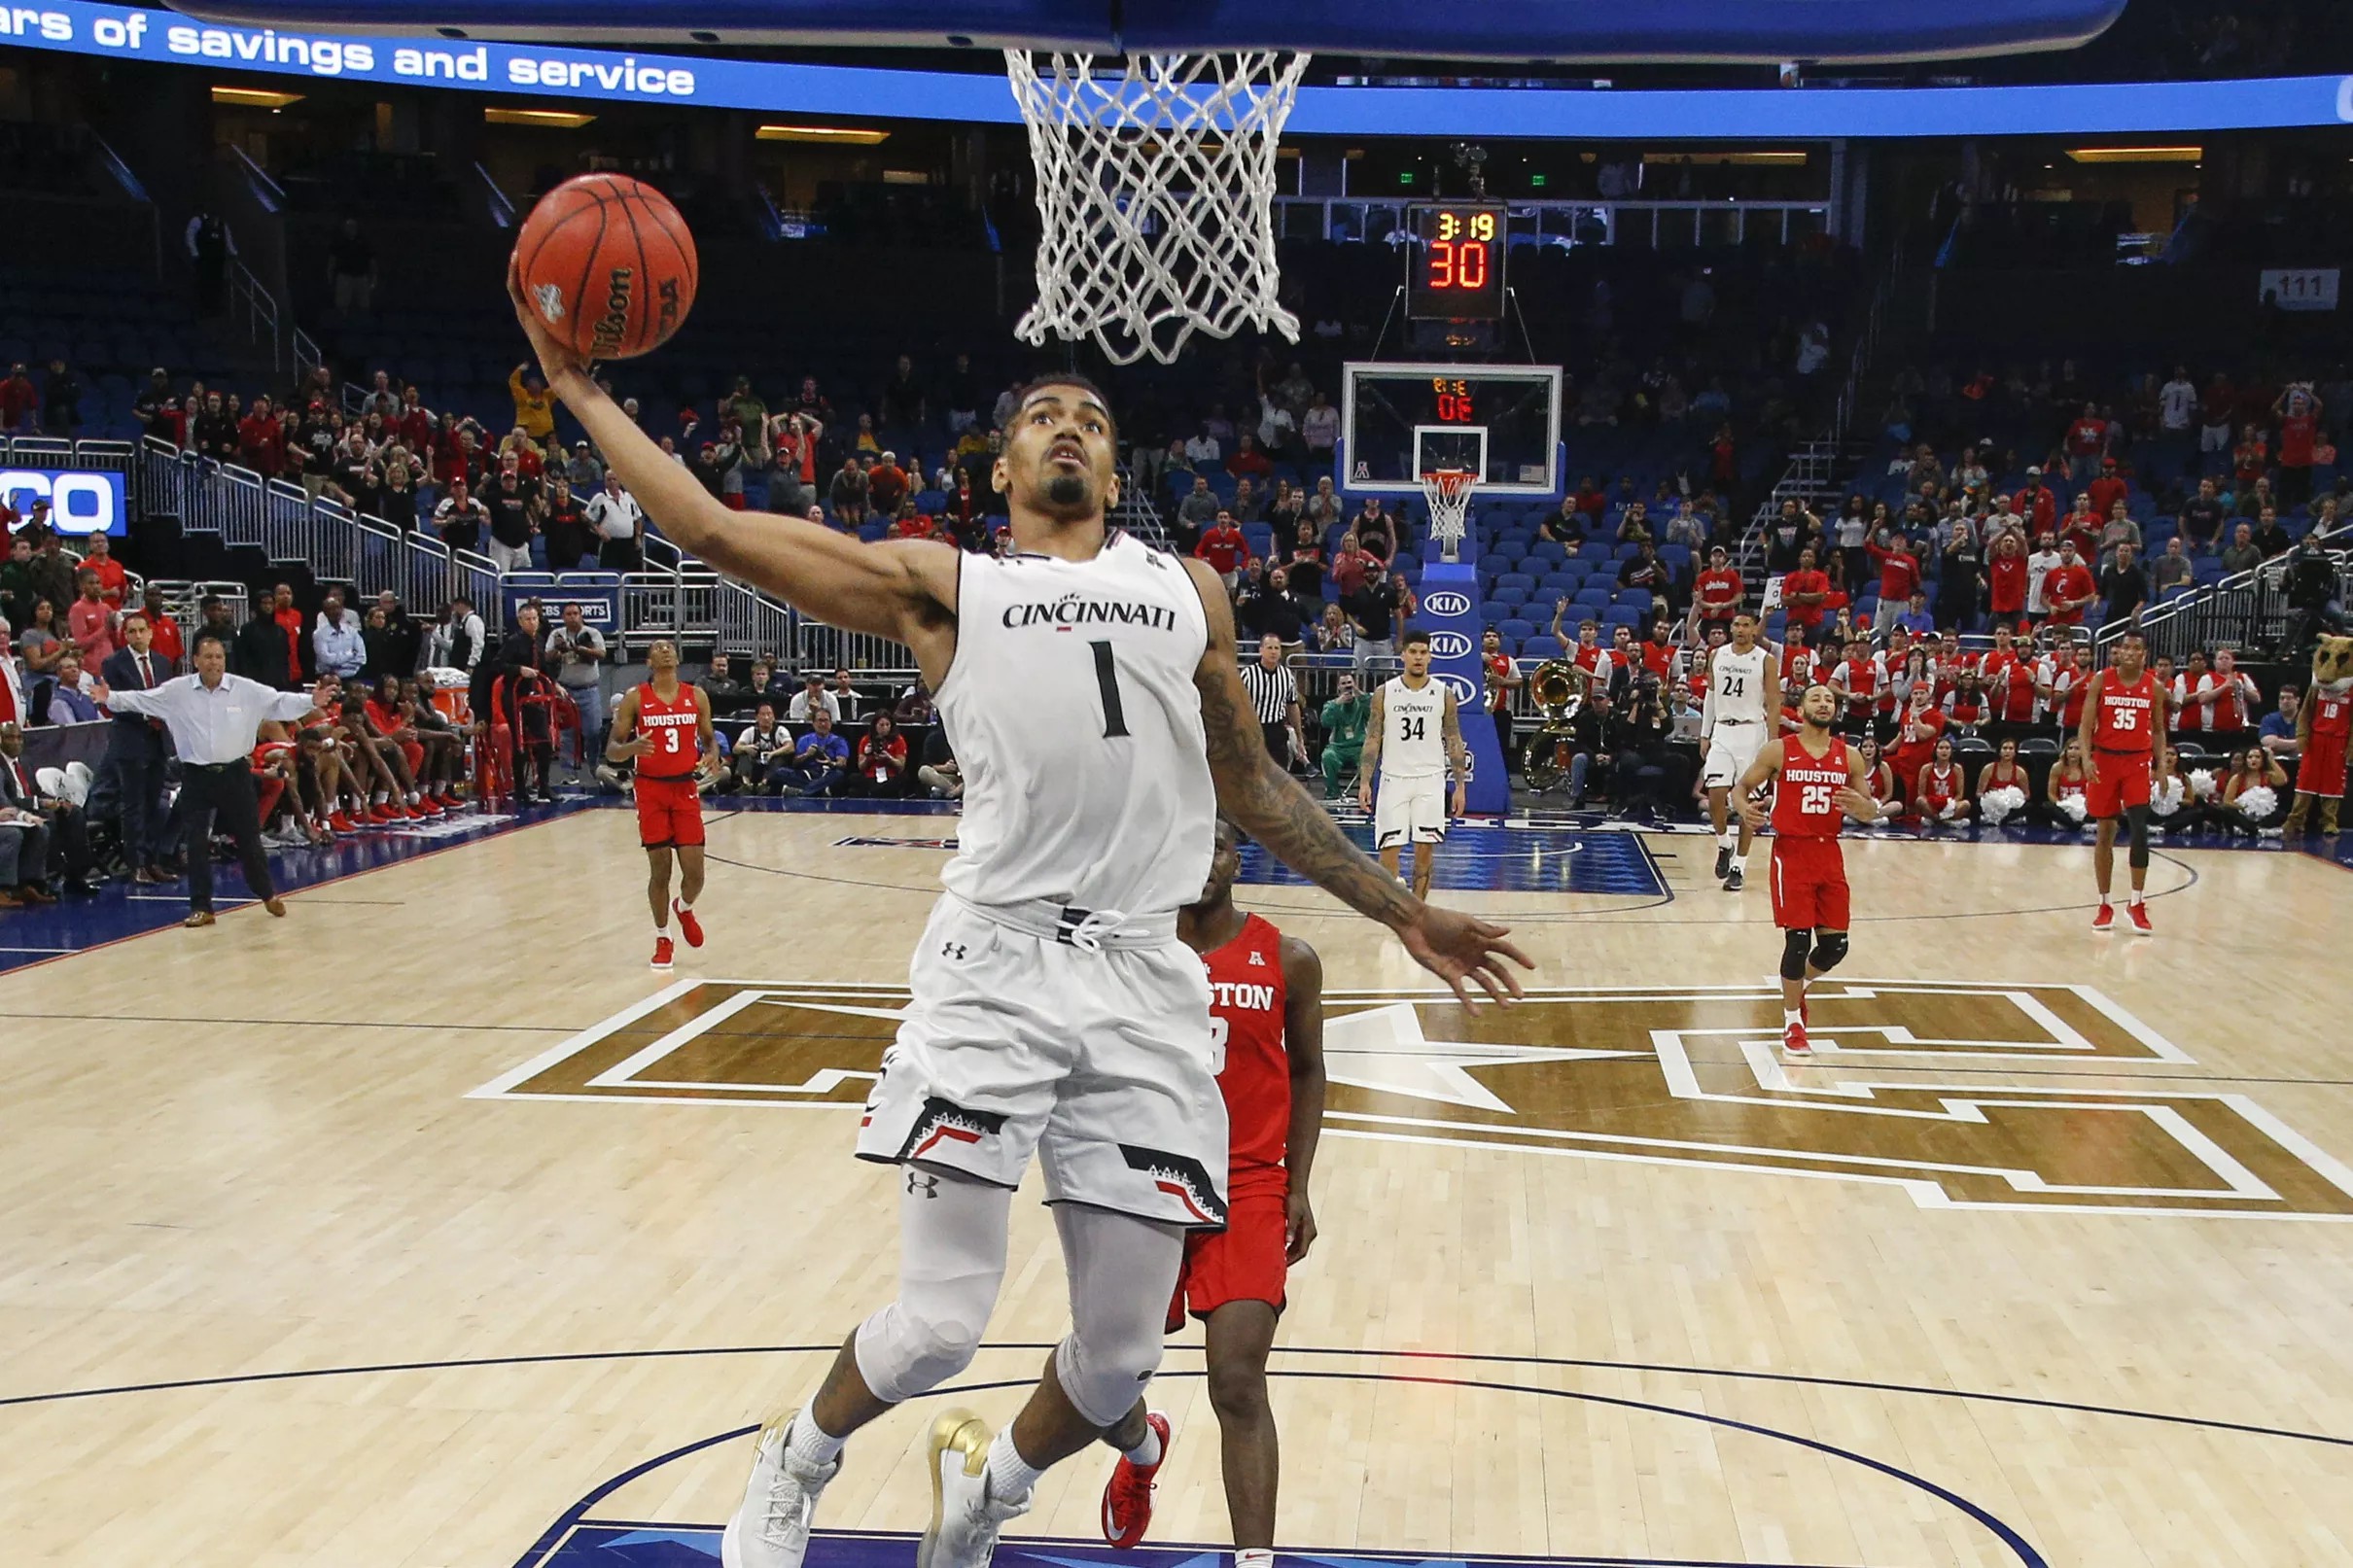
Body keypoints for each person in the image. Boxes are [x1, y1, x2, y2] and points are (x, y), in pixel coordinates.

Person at [514, 274, 1527, 1568]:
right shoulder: (948, 588)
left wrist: (1407, 914)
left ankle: (991, 1487)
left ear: (1113, 462)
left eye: (1090, 420)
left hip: (1144, 977)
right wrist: (586, 394)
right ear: (1002, 468)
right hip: (996, 963)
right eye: (1042, 416)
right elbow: (714, 528)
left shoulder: (1190, 594)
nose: (1068, 429)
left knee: (1115, 1356)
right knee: (940, 1323)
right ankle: (795, 1459)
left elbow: (1253, 781)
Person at [1096, 819, 1325, 1564]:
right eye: (1191, 843)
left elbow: (1308, 1071)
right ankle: (1139, 1449)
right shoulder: (1133, 948)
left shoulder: (1288, 958)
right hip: (1147, 1178)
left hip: (1248, 1184)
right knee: (1103, 1376)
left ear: (1239, 857)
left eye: (1220, 844)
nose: (1206, 857)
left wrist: (1300, 1180)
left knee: (1235, 1378)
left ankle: (1254, 1562)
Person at [89, 632, 321, 926]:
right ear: (196, 660)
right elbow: (141, 700)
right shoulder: (177, 691)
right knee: (195, 843)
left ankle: (267, 894)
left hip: (235, 774)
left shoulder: (245, 689)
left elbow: (279, 701)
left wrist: (310, 700)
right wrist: (109, 697)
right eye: (208, 657)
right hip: (196, 776)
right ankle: (202, 907)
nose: (214, 662)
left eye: (219, 657)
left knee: (249, 839)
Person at [1737, 682, 1881, 1059]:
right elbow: (1742, 787)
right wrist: (1743, 808)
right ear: (1800, 709)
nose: (1824, 703)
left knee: (1836, 946)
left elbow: (1869, 809)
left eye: (1830, 699)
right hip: (1792, 852)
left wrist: (1865, 810)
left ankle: (1797, 988)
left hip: (1829, 853)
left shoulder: (1849, 757)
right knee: (1798, 941)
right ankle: (1792, 1022)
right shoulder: (1779, 750)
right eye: (1816, 698)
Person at [606, 638, 716, 970]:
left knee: (695, 873)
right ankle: (663, 936)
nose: (665, 650)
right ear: (649, 661)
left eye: (670, 646)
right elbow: (612, 750)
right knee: (660, 870)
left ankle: (683, 907)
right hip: (651, 789)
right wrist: (630, 749)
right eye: (658, 647)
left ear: (678, 658)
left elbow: (709, 738)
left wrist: (712, 754)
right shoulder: (636, 698)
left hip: (685, 787)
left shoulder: (696, 695)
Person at [1357, 630, 1467, 899]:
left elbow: (1454, 739)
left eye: (1423, 652)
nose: (1418, 657)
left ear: (1430, 657)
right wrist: (1364, 782)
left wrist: (1460, 786)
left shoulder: (1444, 693)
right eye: (1413, 652)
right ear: (1403, 655)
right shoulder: (1384, 693)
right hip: (1393, 778)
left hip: (1430, 779)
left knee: (1424, 849)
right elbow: (1373, 738)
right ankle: (1396, 907)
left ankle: (1418, 914)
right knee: (1388, 850)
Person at [2077, 629, 2168, 935]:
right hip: (2105, 759)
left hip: (2137, 761)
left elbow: (2158, 730)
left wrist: (2162, 766)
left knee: (2139, 828)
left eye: (2136, 648)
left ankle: (2137, 902)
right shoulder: (2102, 680)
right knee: (2105, 832)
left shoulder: (2153, 687)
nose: (2129, 653)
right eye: (2125, 647)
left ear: (2144, 655)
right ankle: (2104, 904)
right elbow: (2085, 725)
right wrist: (2086, 759)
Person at [99, 611, 174, 883]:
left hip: (157, 740)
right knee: (133, 805)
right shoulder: (113, 664)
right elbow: (115, 702)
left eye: (142, 630)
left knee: (155, 803)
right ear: (125, 635)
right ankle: (136, 865)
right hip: (130, 740)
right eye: (132, 631)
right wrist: (147, 711)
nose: (138, 635)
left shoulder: (163, 663)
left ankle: (153, 861)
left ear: (150, 632)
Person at [1702, 610, 1774, 891]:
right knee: (1716, 793)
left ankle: (1739, 867)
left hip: (1752, 732)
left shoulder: (1765, 660)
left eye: (1746, 625)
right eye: (1736, 624)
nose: (1741, 629)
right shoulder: (1716, 655)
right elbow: (1711, 694)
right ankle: (1724, 844)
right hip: (1722, 730)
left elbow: (1775, 704)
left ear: (1755, 629)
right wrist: (1705, 733)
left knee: (1749, 804)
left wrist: (1774, 744)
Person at [1236, 634, 1304, 772]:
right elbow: (1238, 704)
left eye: (1276, 648)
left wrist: (1299, 736)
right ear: (1261, 650)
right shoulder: (1248, 674)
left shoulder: (1286, 676)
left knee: (1279, 775)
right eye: (1269, 648)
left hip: (1276, 729)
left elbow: (1292, 705)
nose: (1273, 651)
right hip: (1253, 728)